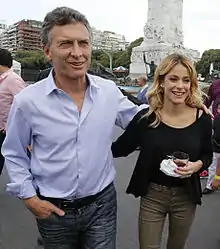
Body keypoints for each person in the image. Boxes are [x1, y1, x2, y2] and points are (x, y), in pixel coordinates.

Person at [1, 7, 147, 249]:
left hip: (102, 205)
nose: (77, 53)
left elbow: (139, 117)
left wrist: (188, 108)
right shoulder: (28, 102)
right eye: (66, 44)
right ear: (47, 51)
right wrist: (30, 198)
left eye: (83, 43)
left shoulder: (108, 91)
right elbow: (14, 153)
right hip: (53, 210)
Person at [112, 53, 213, 249]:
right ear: (161, 81)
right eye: (173, 79)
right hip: (153, 196)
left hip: (186, 197)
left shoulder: (202, 118)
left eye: (186, 80)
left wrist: (196, 166)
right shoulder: (146, 118)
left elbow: (207, 155)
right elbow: (119, 149)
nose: (180, 86)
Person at [0, 48, 25, 175]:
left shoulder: (13, 79)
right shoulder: (2, 79)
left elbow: (24, 106)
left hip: (5, 130)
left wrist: (9, 125)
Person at [205, 102, 220, 192]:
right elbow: (212, 132)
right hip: (215, 146)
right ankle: (209, 186)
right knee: (212, 167)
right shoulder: (215, 120)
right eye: (219, 108)